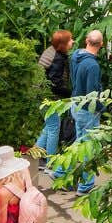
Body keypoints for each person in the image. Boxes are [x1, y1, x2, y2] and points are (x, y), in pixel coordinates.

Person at [68, 29, 104, 196]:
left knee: (80, 144)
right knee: (88, 147)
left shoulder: (75, 56)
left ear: (86, 42)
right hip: (86, 110)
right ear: (101, 44)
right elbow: (92, 93)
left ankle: (61, 171)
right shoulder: (92, 65)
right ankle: (85, 185)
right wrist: (101, 108)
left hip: (75, 104)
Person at [34, 29, 73, 169]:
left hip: (40, 95)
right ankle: (50, 162)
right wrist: (71, 94)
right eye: (70, 40)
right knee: (54, 127)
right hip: (46, 97)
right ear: (62, 44)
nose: (72, 42)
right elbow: (54, 84)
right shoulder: (57, 58)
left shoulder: (50, 50)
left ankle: (35, 156)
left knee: (49, 126)